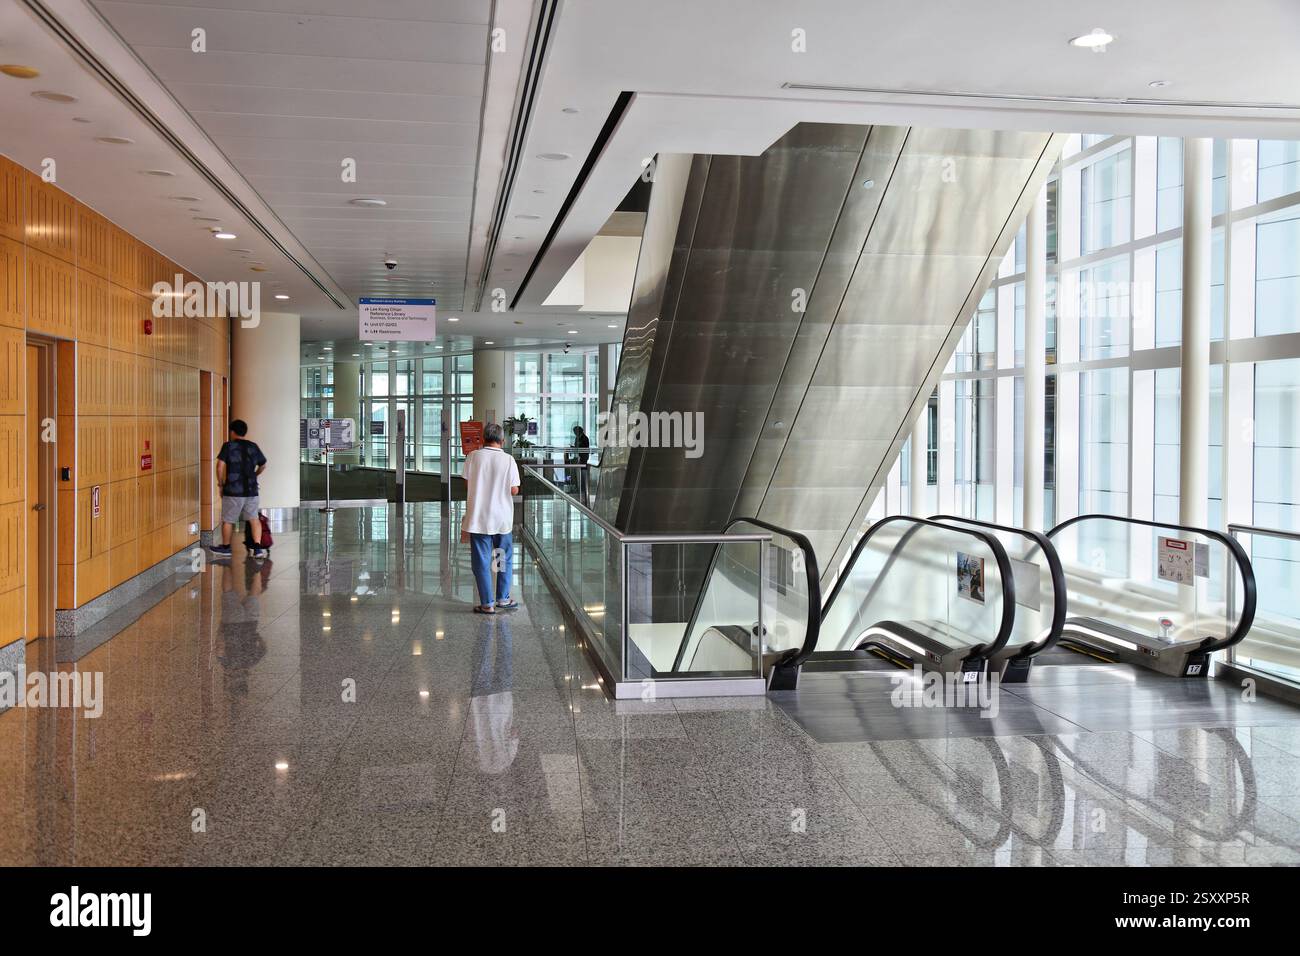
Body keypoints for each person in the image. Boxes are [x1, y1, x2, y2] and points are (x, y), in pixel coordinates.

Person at [462, 421, 520, 613]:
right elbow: (513, 489)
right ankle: (503, 598)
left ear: (484, 438)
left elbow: (467, 484)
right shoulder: (508, 460)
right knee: (502, 558)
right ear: (502, 440)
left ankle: (487, 604)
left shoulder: (473, 457)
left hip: (479, 518)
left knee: (481, 561)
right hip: (502, 519)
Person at [211, 419, 268, 558]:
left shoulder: (228, 446)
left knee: (228, 520)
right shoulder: (253, 446)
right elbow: (263, 464)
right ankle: (258, 548)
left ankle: (226, 547)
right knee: (254, 518)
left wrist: (220, 484)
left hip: (233, 490)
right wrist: (255, 475)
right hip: (251, 490)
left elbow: (219, 467)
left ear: (232, 432)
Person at [572, 424, 591, 501]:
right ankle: (579, 486)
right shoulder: (577, 438)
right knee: (578, 472)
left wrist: (578, 447)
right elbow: (576, 446)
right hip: (579, 457)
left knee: (583, 471)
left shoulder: (585, 438)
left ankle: (583, 487)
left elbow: (585, 448)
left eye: (575, 432)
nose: (575, 434)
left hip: (584, 457)